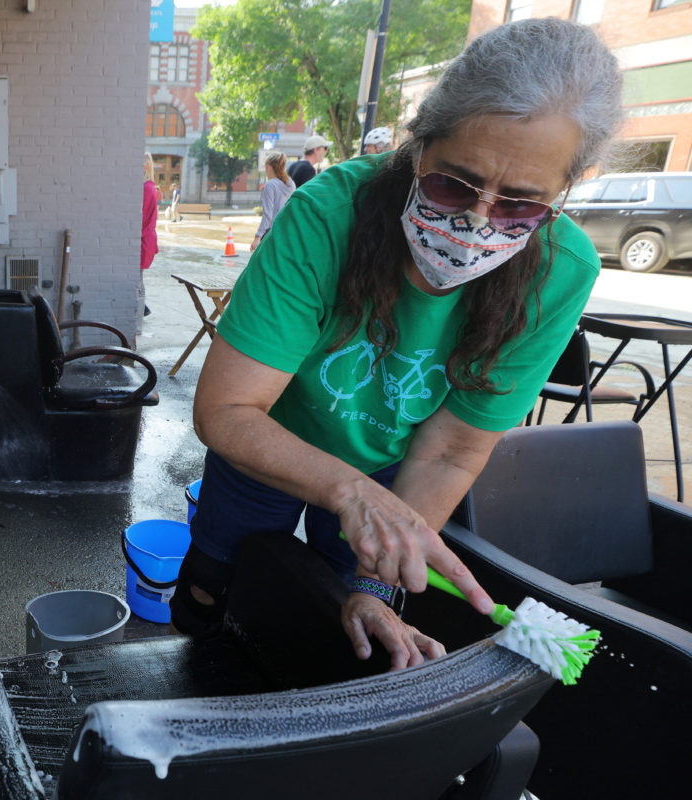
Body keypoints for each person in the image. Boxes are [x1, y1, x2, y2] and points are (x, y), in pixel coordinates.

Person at [170, 18, 623, 672]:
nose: (476, 223)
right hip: (269, 438)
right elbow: (226, 412)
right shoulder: (330, 215)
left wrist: (374, 582)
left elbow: (453, 448)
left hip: (394, 465)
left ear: (564, 193)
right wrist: (349, 494)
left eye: (519, 205)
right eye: (453, 184)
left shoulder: (561, 271)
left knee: (330, 611)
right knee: (216, 579)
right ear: (419, 148)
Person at [250, 152, 295, 251]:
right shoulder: (290, 184)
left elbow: (267, 214)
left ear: (269, 167)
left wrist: (257, 237)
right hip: (286, 231)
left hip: (272, 233)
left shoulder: (270, 185)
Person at [140, 153, 161, 334]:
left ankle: (139, 312)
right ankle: (142, 309)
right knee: (137, 280)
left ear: (145, 167)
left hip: (143, 240)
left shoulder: (147, 188)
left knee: (136, 281)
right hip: (145, 239)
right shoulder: (149, 187)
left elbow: (142, 218)